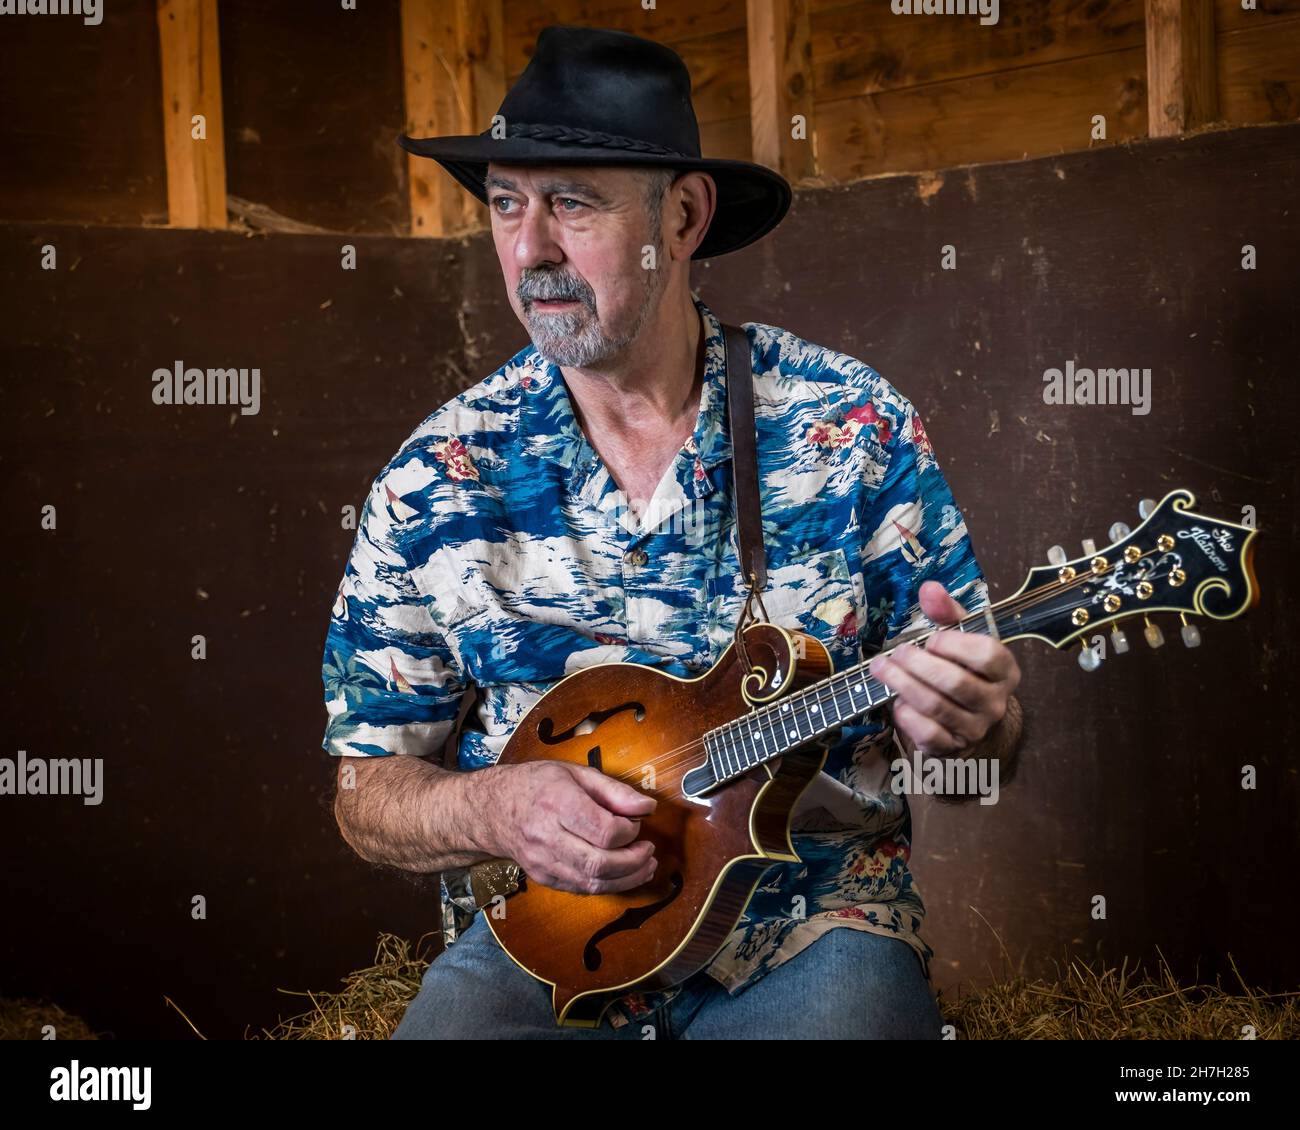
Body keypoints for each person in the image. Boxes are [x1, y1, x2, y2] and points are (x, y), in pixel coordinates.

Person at [320, 25, 1023, 1040]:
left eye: (571, 202)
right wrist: (489, 809)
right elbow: (365, 785)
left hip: (812, 924)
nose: (531, 248)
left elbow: (982, 745)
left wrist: (977, 726)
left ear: (682, 215)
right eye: (506, 203)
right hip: (549, 946)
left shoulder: (850, 425)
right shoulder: (439, 473)